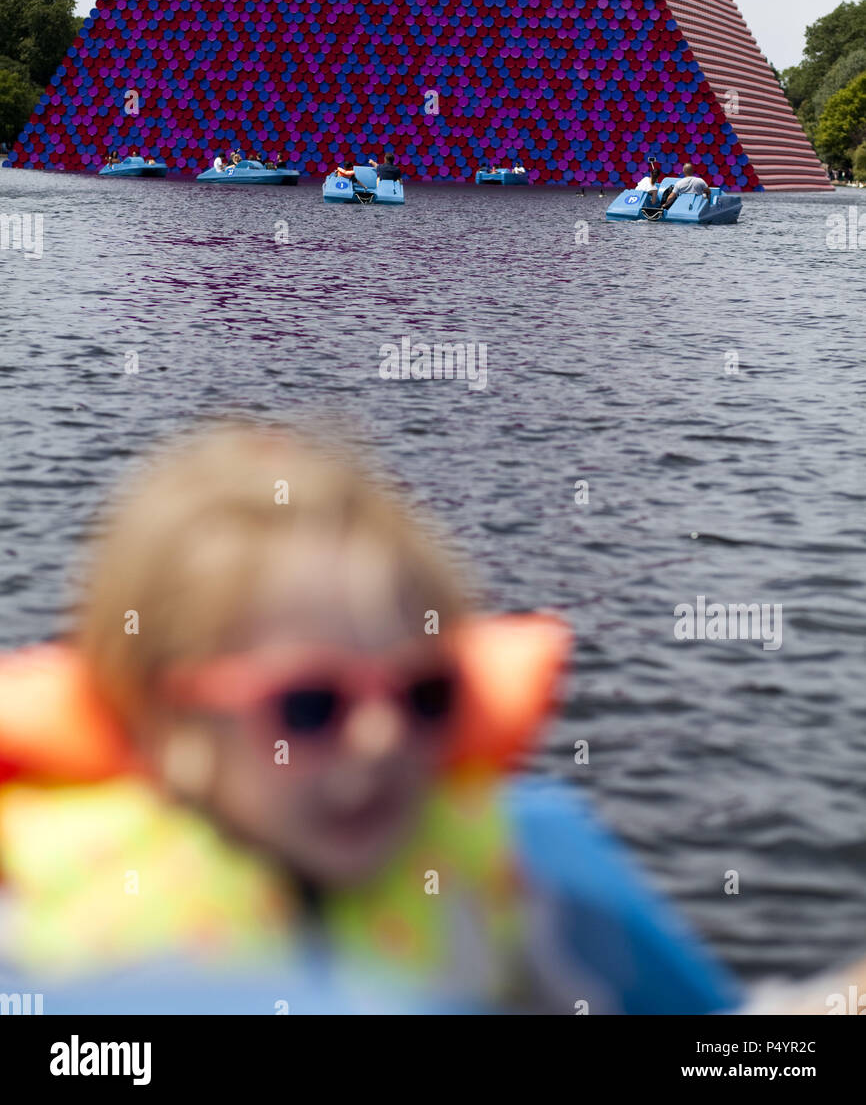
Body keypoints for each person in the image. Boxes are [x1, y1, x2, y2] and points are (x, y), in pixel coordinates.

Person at [0, 426, 740, 1014]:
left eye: (425, 696)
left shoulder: (519, 887)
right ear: (163, 720)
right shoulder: (33, 926)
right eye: (312, 705)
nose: (382, 738)